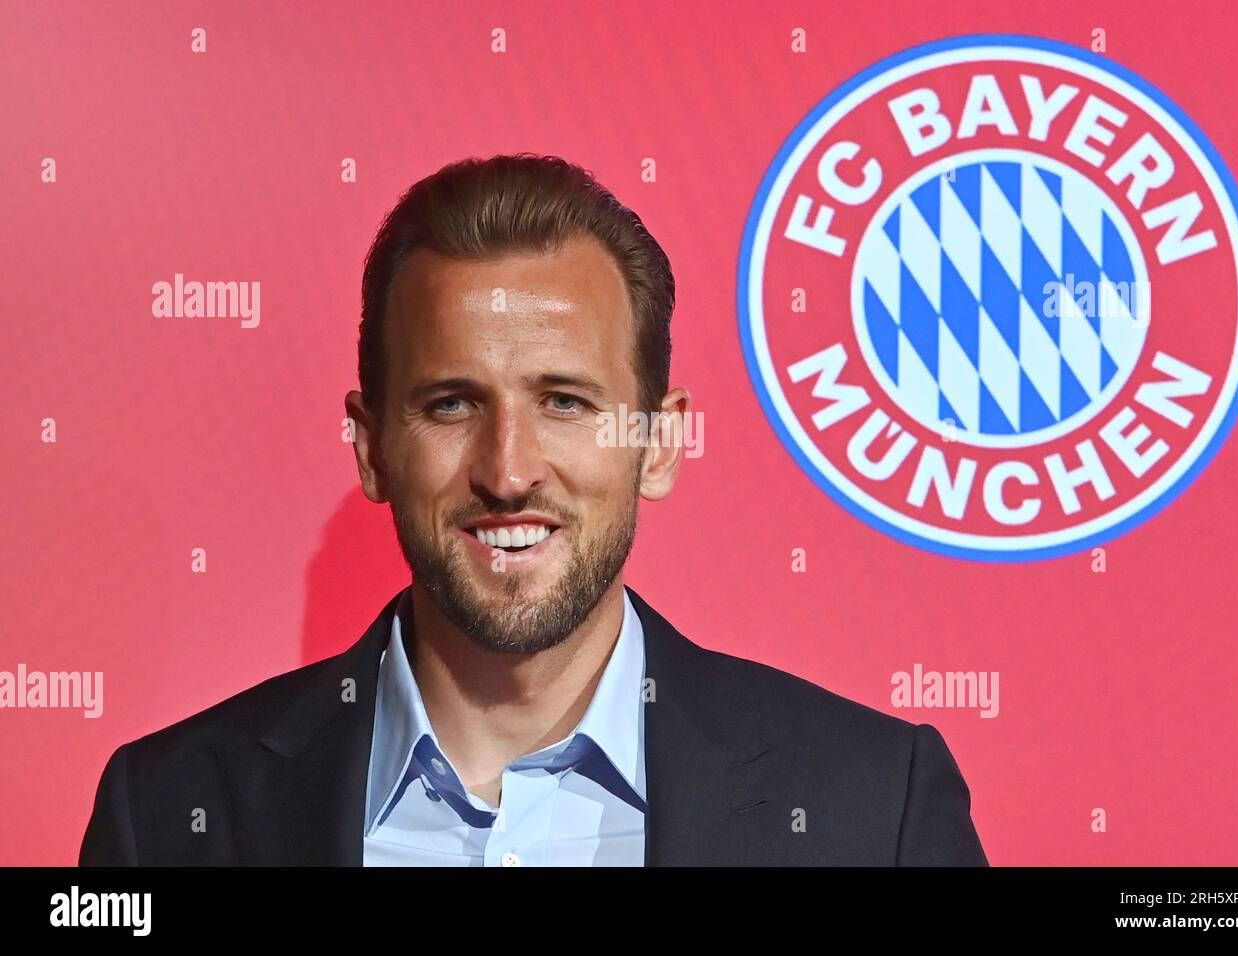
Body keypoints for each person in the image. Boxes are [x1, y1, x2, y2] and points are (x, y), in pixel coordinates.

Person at [80, 154, 988, 866]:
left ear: (659, 441)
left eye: (565, 401)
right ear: (370, 446)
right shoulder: (168, 813)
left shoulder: (874, 807)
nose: (509, 472)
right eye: (451, 404)